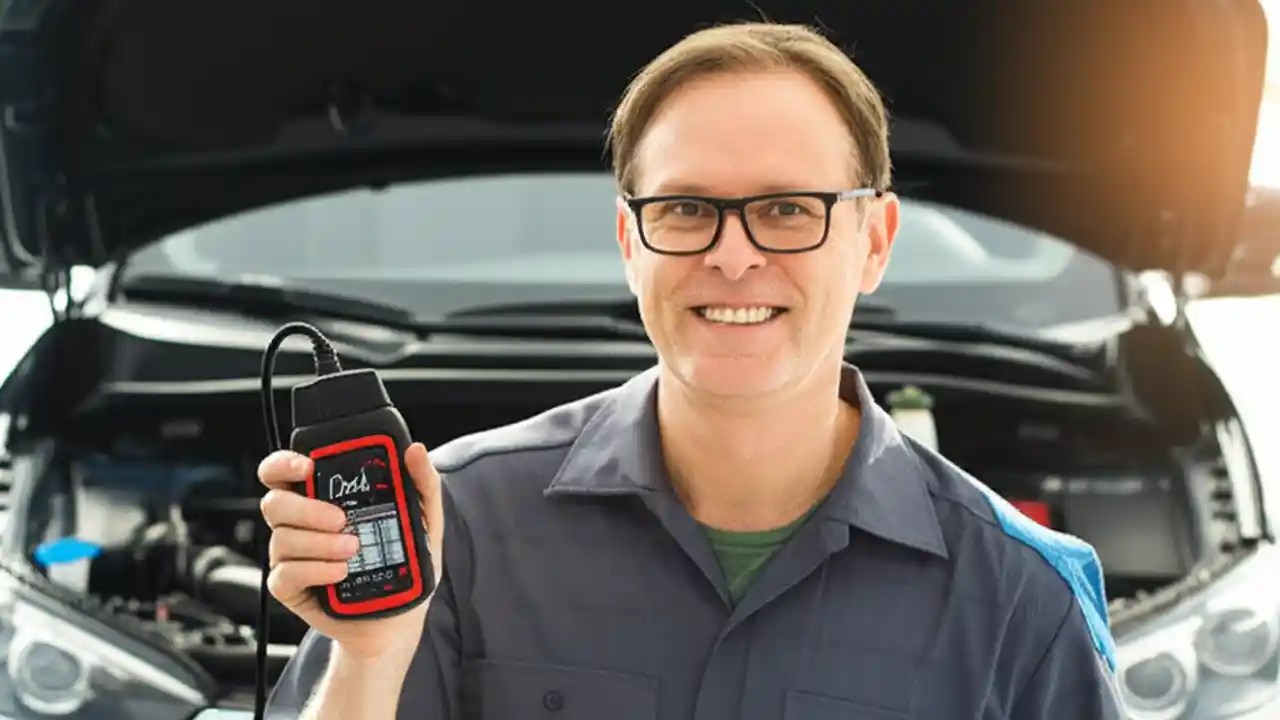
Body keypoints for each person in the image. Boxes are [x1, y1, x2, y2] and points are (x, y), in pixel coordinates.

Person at [259, 21, 1126, 719]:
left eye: (789, 210)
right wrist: (368, 665)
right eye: (685, 209)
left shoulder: (1022, 598)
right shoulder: (454, 529)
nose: (734, 256)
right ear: (631, 240)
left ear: (874, 241)